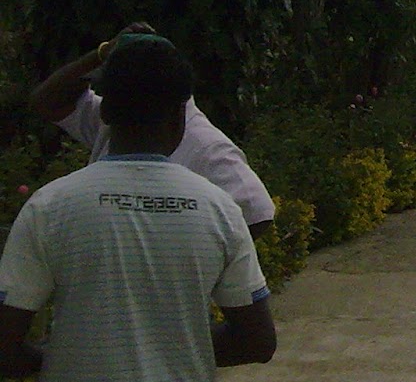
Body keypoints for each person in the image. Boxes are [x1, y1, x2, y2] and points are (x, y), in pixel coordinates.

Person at [0, 32, 277, 382]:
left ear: (104, 114)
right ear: (181, 117)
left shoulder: (49, 207)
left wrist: (64, 354)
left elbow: (4, 347)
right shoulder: (219, 210)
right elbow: (258, 342)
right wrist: (177, 342)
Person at [29, 23, 276, 240]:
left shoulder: (207, 147)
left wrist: (195, 255)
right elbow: (46, 102)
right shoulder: (121, 120)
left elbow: (258, 213)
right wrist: (102, 53)